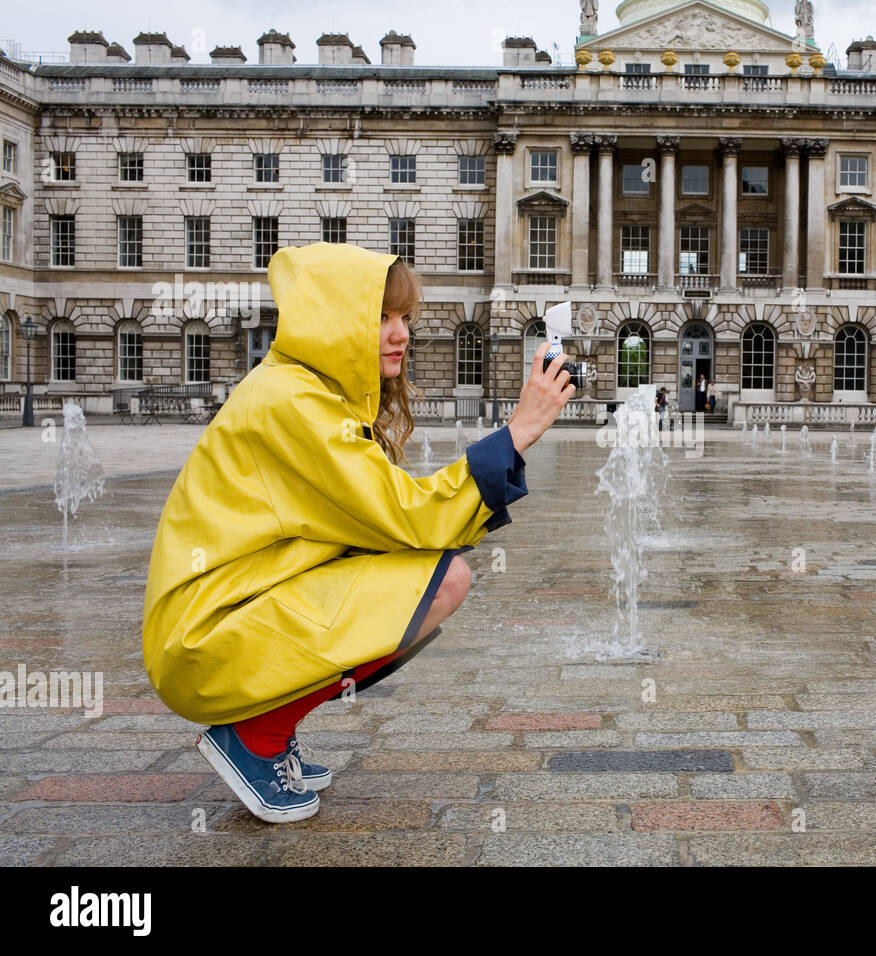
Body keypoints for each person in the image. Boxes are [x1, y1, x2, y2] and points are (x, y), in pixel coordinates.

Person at [141, 242, 574, 823]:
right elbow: (411, 516)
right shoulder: (292, 403)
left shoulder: (307, 391)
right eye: (381, 317)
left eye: (405, 319)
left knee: (422, 580)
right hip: (204, 637)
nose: (401, 335)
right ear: (333, 319)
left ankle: (271, 724)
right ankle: (252, 737)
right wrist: (516, 432)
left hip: (234, 608)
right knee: (442, 583)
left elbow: (386, 524)